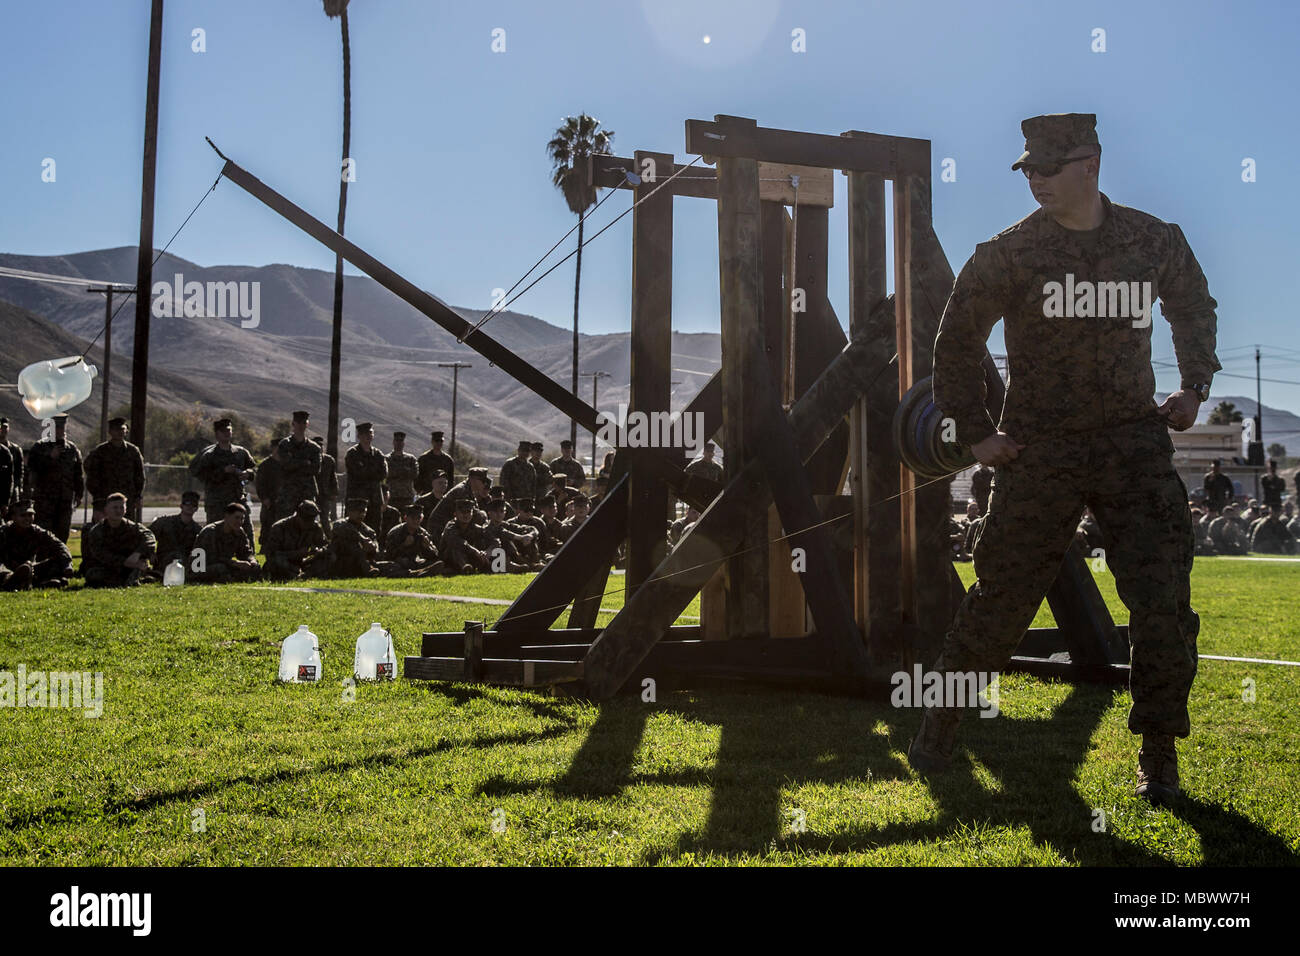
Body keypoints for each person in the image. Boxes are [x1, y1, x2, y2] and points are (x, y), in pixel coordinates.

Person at [915, 112, 1219, 808]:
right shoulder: (1009, 254)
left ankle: (1159, 750)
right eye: (1028, 172)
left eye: (1048, 170)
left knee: (1163, 601)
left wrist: (1193, 386)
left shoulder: (1151, 240)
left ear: (1091, 165)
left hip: (1132, 444)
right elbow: (956, 337)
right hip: (1039, 448)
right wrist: (972, 434)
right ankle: (942, 722)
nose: (1036, 183)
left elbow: (1193, 303)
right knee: (1001, 602)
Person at [189, 418, 256, 541]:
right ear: (217, 434)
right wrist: (223, 471)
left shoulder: (241, 453)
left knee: (246, 532)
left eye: (229, 430)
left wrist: (248, 474)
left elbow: (254, 469)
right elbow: (199, 474)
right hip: (217, 503)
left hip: (238, 500)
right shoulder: (209, 455)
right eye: (223, 431)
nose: (226, 433)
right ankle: (214, 558)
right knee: (215, 534)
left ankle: (249, 557)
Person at [24, 413, 83, 543]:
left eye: (62, 427)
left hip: (65, 501)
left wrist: (79, 494)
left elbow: (78, 474)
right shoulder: (39, 447)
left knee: (62, 535)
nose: (59, 430)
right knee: (43, 536)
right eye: (56, 427)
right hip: (45, 501)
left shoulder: (72, 449)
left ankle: (60, 562)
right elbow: (33, 469)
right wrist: (50, 457)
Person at [82, 492, 157, 587]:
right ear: (106, 510)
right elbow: (102, 555)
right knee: (92, 575)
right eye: (115, 507)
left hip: (130, 566)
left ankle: (132, 579)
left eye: (121, 507)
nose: (118, 511)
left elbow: (149, 538)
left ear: (125, 510)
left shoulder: (133, 527)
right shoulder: (97, 531)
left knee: (140, 566)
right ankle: (130, 580)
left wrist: (137, 553)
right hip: (108, 567)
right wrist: (126, 562)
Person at [83, 416, 145, 522]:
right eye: (116, 429)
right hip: (105, 500)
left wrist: (138, 496)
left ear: (126, 431)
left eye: (122, 429)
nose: (120, 432)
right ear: (110, 432)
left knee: (127, 531)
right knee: (103, 532)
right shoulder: (100, 451)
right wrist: (98, 498)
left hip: (126, 502)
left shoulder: (133, 451)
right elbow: (91, 474)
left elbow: (140, 476)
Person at [0, 498, 73, 589]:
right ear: (13, 517)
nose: (27, 519)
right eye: (23, 515)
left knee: (57, 561)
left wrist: (67, 565)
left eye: (30, 515)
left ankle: (29, 582)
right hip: (6, 570)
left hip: (30, 568)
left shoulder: (36, 531)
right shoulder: (3, 532)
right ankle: (15, 580)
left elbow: (60, 546)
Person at [329, 497, 397, 577]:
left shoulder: (368, 531)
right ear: (349, 512)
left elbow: (376, 549)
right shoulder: (340, 524)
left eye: (363, 512)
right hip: (342, 561)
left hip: (364, 562)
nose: (361, 515)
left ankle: (410, 573)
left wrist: (372, 547)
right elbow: (344, 530)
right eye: (357, 512)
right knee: (354, 545)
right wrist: (361, 539)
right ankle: (368, 570)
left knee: (394, 566)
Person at [275, 411, 322, 528]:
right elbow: (285, 466)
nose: (301, 425)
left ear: (307, 424)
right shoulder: (284, 445)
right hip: (288, 493)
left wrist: (295, 463)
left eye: (304, 423)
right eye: (298, 423)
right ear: (293, 424)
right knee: (286, 525)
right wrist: (304, 462)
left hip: (307, 492)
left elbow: (316, 469)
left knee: (309, 525)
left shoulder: (313, 447)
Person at [193, 502, 261, 582]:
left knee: (254, 568)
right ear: (227, 516)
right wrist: (236, 563)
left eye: (242, 519)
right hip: (200, 567)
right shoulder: (211, 531)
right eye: (236, 518)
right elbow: (212, 558)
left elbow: (245, 552)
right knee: (221, 568)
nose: (239, 521)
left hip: (225, 564)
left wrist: (252, 561)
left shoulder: (238, 531)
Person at [264, 500, 330, 581]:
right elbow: (271, 554)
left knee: (329, 556)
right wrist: (297, 553)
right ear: (298, 516)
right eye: (306, 520)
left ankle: (306, 574)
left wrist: (317, 551)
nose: (309, 523)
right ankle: (296, 574)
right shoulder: (280, 527)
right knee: (277, 562)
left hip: (304, 562)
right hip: (287, 562)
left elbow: (325, 546)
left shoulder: (315, 527)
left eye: (312, 519)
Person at [345, 422, 388, 529]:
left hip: (375, 499)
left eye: (370, 433)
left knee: (375, 528)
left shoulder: (378, 454)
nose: (368, 436)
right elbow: (356, 473)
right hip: (357, 499)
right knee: (353, 528)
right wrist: (372, 473)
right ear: (359, 436)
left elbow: (384, 474)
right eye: (365, 434)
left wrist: (366, 471)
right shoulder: (352, 453)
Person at [383, 504, 445, 577]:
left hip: (414, 562)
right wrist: (404, 545)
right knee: (395, 565)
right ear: (406, 518)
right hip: (398, 562)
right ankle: (418, 572)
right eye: (413, 518)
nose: (416, 521)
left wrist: (427, 547)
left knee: (435, 562)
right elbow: (389, 555)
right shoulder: (395, 532)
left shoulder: (423, 533)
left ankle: (421, 571)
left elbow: (435, 555)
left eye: (418, 518)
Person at [150, 490, 203, 572]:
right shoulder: (165, 523)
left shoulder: (198, 530)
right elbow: (147, 537)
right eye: (187, 504)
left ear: (196, 509)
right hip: (163, 562)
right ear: (181, 506)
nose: (190, 507)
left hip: (185, 565)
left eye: (193, 505)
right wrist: (151, 553)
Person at [427, 466, 489, 531]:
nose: (485, 484)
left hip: (448, 526)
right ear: (473, 480)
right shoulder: (462, 491)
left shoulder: (468, 489)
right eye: (483, 481)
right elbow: (473, 515)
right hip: (440, 529)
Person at [439, 497, 490, 573]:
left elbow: (491, 537)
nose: (466, 515)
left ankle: (484, 566)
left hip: (468, 556)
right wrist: (475, 551)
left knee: (481, 542)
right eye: (462, 512)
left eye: (468, 512)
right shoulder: (451, 526)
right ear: (455, 514)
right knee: (456, 547)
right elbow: (458, 542)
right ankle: (465, 567)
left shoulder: (473, 527)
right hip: (449, 558)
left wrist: (486, 551)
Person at [254, 450, 282, 550]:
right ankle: (264, 547)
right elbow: (259, 484)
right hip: (269, 500)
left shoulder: (286, 463)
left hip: (284, 501)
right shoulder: (265, 465)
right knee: (267, 524)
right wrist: (264, 498)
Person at [415, 430, 456, 494]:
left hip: (443, 495)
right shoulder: (424, 459)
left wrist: (449, 494)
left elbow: (451, 479)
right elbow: (418, 477)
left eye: (441, 441)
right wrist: (419, 490)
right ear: (432, 442)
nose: (439, 443)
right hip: (427, 494)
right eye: (437, 441)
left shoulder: (448, 460)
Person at [386, 431, 419, 510]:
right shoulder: (387, 459)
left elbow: (414, 474)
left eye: (401, 441)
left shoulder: (411, 459)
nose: (399, 443)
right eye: (397, 440)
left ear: (404, 443)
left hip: (407, 496)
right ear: (393, 442)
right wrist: (405, 470)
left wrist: (396, 471)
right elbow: (387, 474)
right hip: (392, 496)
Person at [313, 435, 339, 529]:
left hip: (324, 494)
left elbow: (333, 477)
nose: (319, 448)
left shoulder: (329, 460)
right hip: (312, 493)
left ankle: (328, 539)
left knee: (325, 519)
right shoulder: (310, 459)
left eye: (321, 446)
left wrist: (334, 492)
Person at [0, 416, 23, 510]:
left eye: (5, 427)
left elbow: (19, 473)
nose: (3, 429)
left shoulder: (15, 450)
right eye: (1, 427)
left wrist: (16, 488)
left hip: (12, 493)